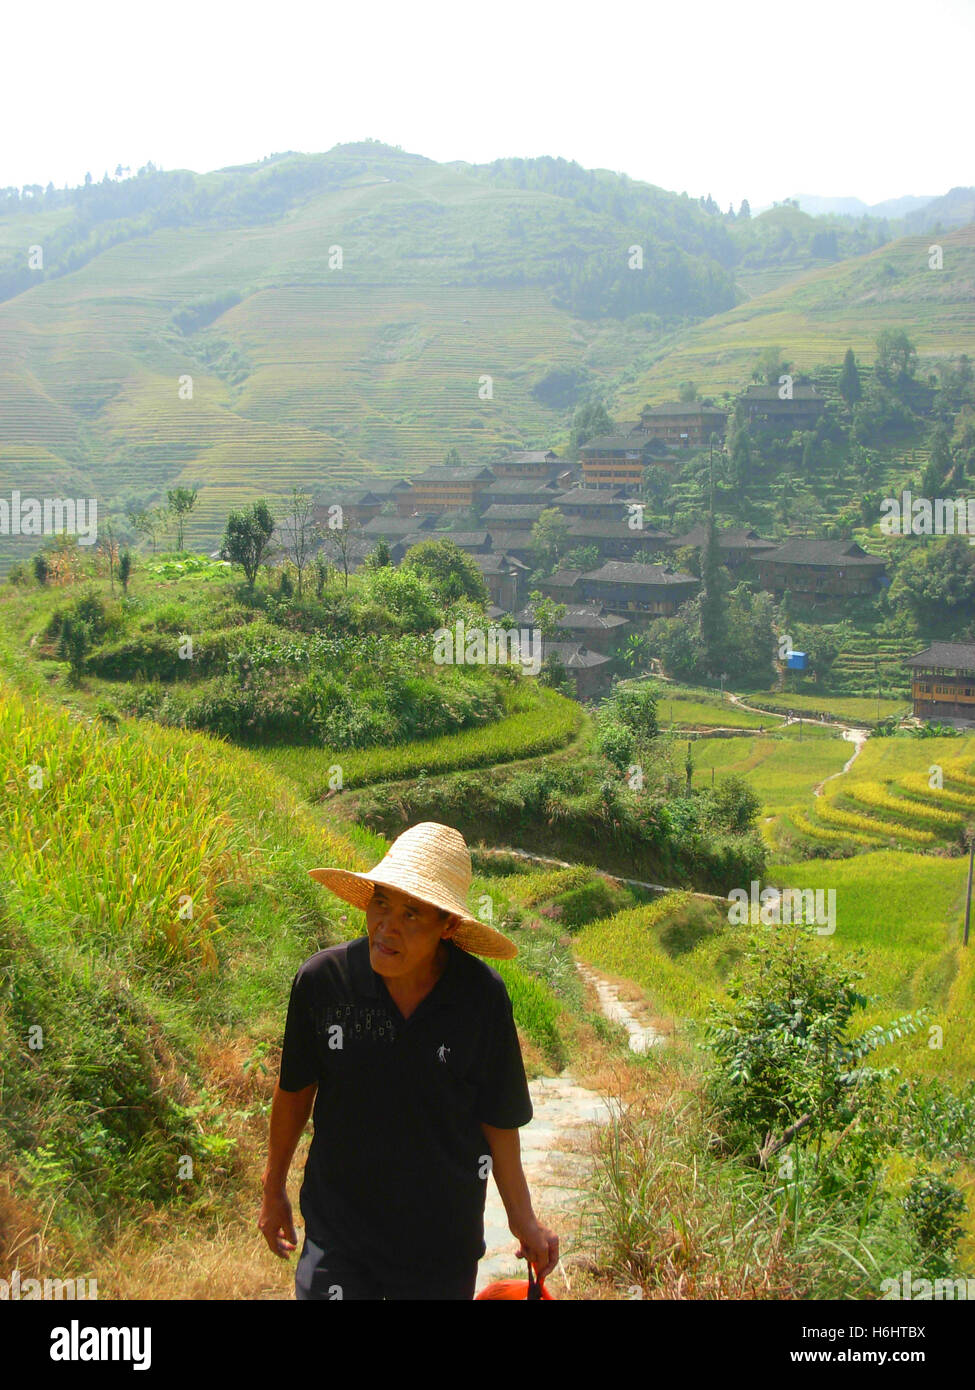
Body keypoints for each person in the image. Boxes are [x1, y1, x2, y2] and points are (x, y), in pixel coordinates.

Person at [258, 820, 559, 1300]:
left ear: (449, 926)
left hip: (439, 1246)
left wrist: (524, 1221)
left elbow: (498, 1121)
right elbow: (294, 1092)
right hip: (339, 1236)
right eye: (381, 902)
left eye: (412, 914)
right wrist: (273, 1188)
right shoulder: (324, 983)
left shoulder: (479, 999)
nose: (387, 927)